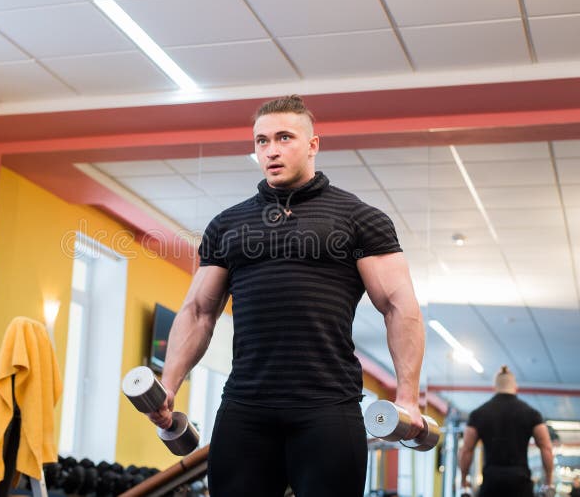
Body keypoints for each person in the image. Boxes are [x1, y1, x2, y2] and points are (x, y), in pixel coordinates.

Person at [147, 95, 426, 497]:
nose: (271, 150)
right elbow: (198, 311)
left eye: (284, 137)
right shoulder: (228, 225)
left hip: (328, 407)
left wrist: (408, 398)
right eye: (262, 141)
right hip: (246, 406)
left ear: (313, 144)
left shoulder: (360, 219)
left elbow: (399, 306)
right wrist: (168, 385)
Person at [458, 365, 554, 497]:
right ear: (515, 388)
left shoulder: (478, 414)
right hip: (521, 484)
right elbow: (546, 448)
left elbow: (466, 450)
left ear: (495, 388)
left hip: (491, 484)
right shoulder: (532, 413)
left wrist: (463, 483)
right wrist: (549, 483)